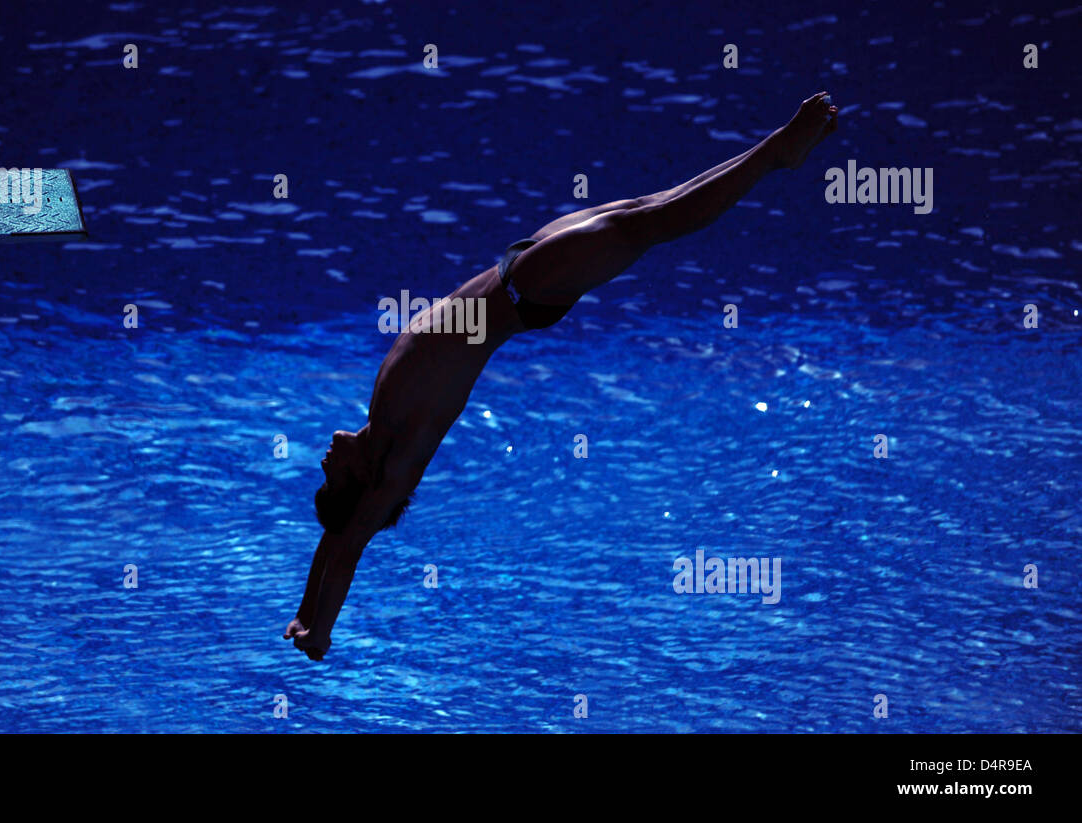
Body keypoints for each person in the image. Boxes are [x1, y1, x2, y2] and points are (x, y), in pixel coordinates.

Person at [284, 93, 839, 660]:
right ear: (364, 481)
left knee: (651, 206)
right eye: (331, 477)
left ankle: (777, 151)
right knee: (656, 223)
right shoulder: (396, 459)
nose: (324, 462)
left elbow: (332, 535)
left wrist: (304, 610)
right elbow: (349, 542)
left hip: (515, 266)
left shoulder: (380, 423)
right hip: (527, 291)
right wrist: (323, 630)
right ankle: (778, 153)